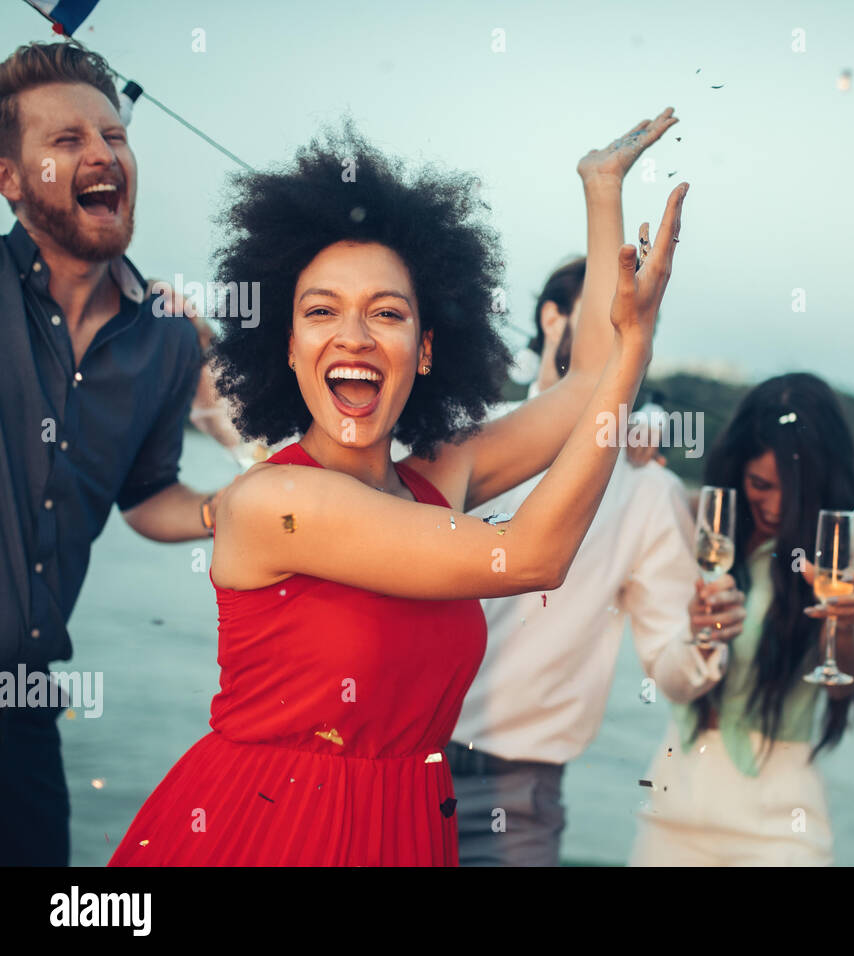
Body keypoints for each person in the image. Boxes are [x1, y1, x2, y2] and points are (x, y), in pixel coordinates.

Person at [108, 111, 687, 866]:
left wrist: (600, 188)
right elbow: (530, 556)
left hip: (408, 825)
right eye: (321, 312)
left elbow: (584, 383)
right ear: (287, 348)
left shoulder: (434, 479)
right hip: (272, 834)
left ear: (425, 350)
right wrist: (633, 355)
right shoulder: (274, 503)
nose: (353, 336)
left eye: (387, 313)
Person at [0, 42, 225, 867]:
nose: (100, 154)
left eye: (113, 136)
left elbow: (148, 495)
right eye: (65, 142)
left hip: (20, 709)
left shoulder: (166, 342)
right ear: (10, 180)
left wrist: (227, 513)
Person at [450, 256, 715, 867]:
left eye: (633, 327)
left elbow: (673, 665)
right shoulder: (457, 439)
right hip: (393, 755)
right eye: (606, 319)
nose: (621, 338)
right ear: (551, 318)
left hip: (517, 791)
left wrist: (704, 639)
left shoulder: (648, 489)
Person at [629, 373, 854, 866]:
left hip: (781, 826)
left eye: (794, 488)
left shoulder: (837, 550)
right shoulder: (703, 530)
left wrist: (844, 627)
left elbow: (845, 685)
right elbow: (673, 676)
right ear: (736, 468)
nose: (777, 506)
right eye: (760, 485)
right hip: (673, 806)